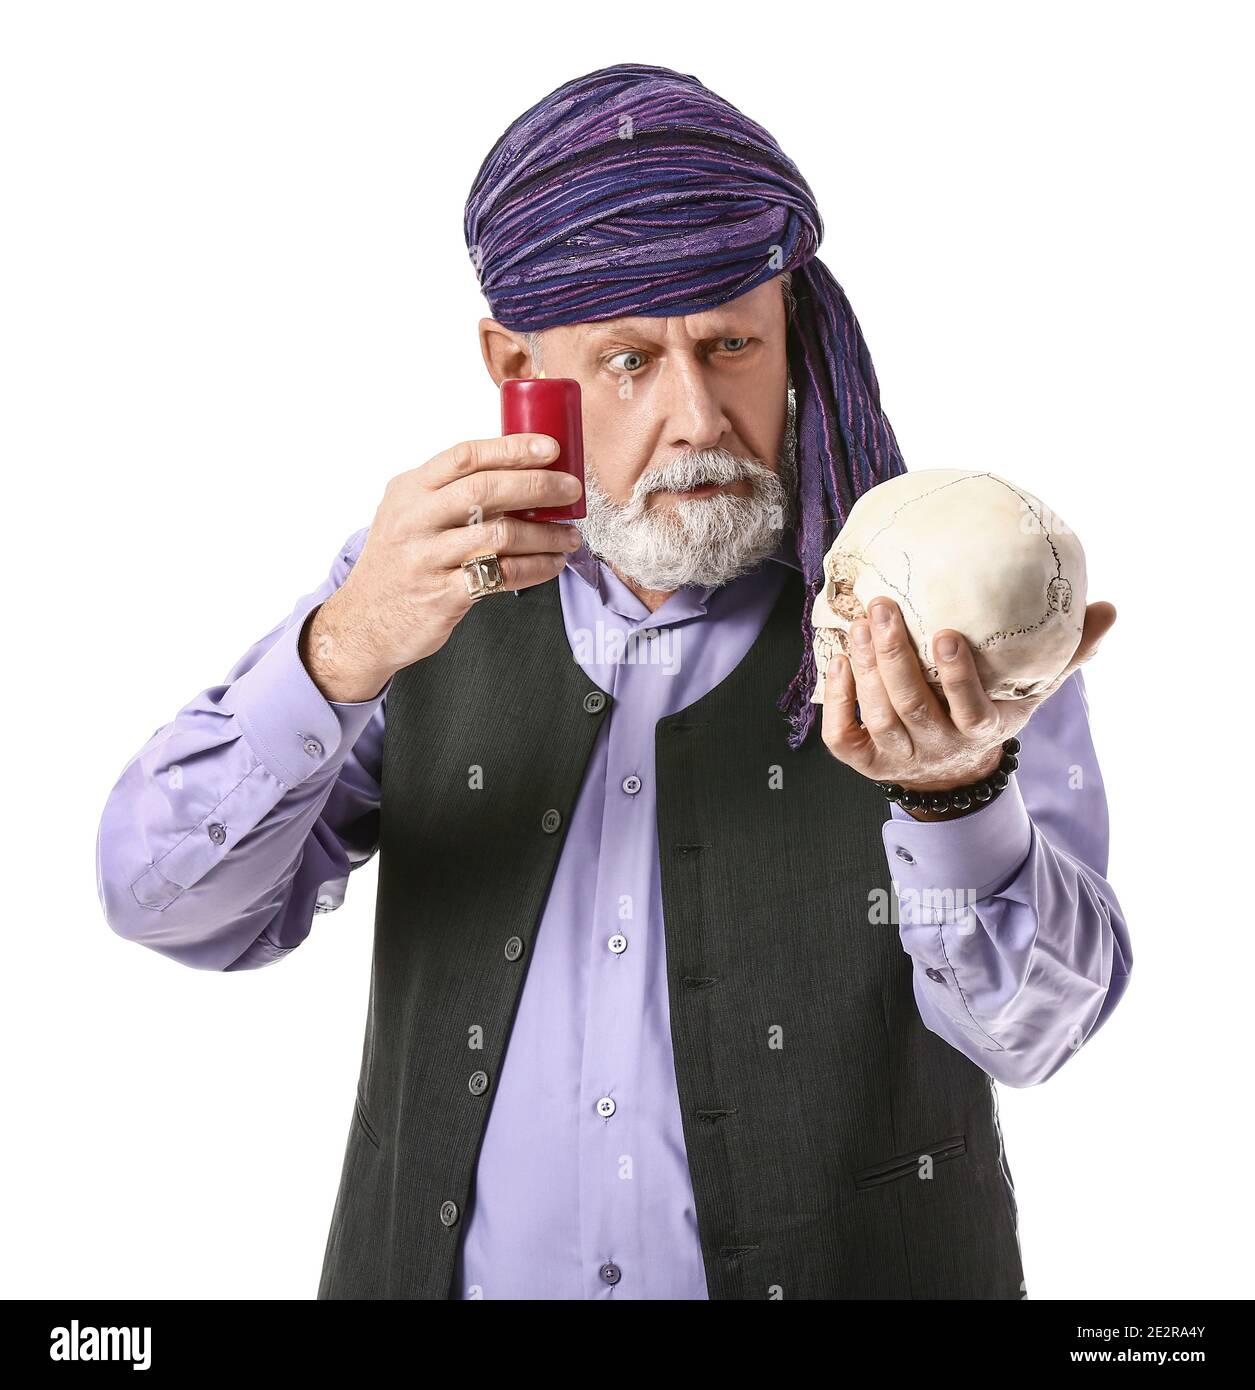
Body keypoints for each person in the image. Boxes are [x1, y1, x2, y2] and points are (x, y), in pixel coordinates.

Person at [96, 63, 1131, 1300]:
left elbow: (1039, 1033)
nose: (695, 415)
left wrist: (958, 797)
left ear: (790, 329)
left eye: (730, 343)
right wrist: (342, 651)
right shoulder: (406, 606)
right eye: (630, 359)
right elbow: (165, 908)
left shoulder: (946, 620)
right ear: (510, 360)